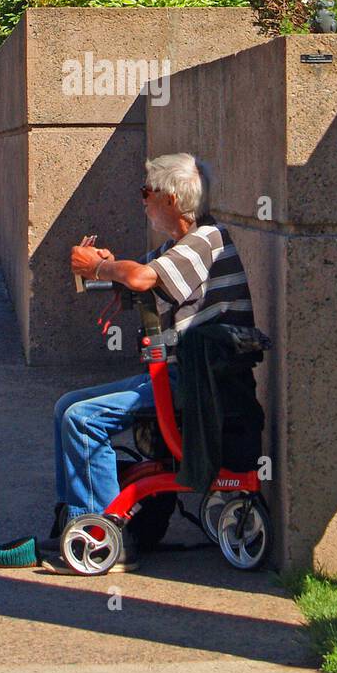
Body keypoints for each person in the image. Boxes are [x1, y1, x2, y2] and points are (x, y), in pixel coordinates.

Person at [57, 153, 256, 568]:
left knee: (81, 417)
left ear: (171, 198)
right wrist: (102, 267)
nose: (143, 201)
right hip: (185, 377)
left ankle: (99, 532)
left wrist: (101, 267)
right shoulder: (181, 246)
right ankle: (72, 520)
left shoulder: (207, 240)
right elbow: (135, 273)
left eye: (146, 192)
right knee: (65, 407)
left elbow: (141, 278)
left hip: (200, 383)